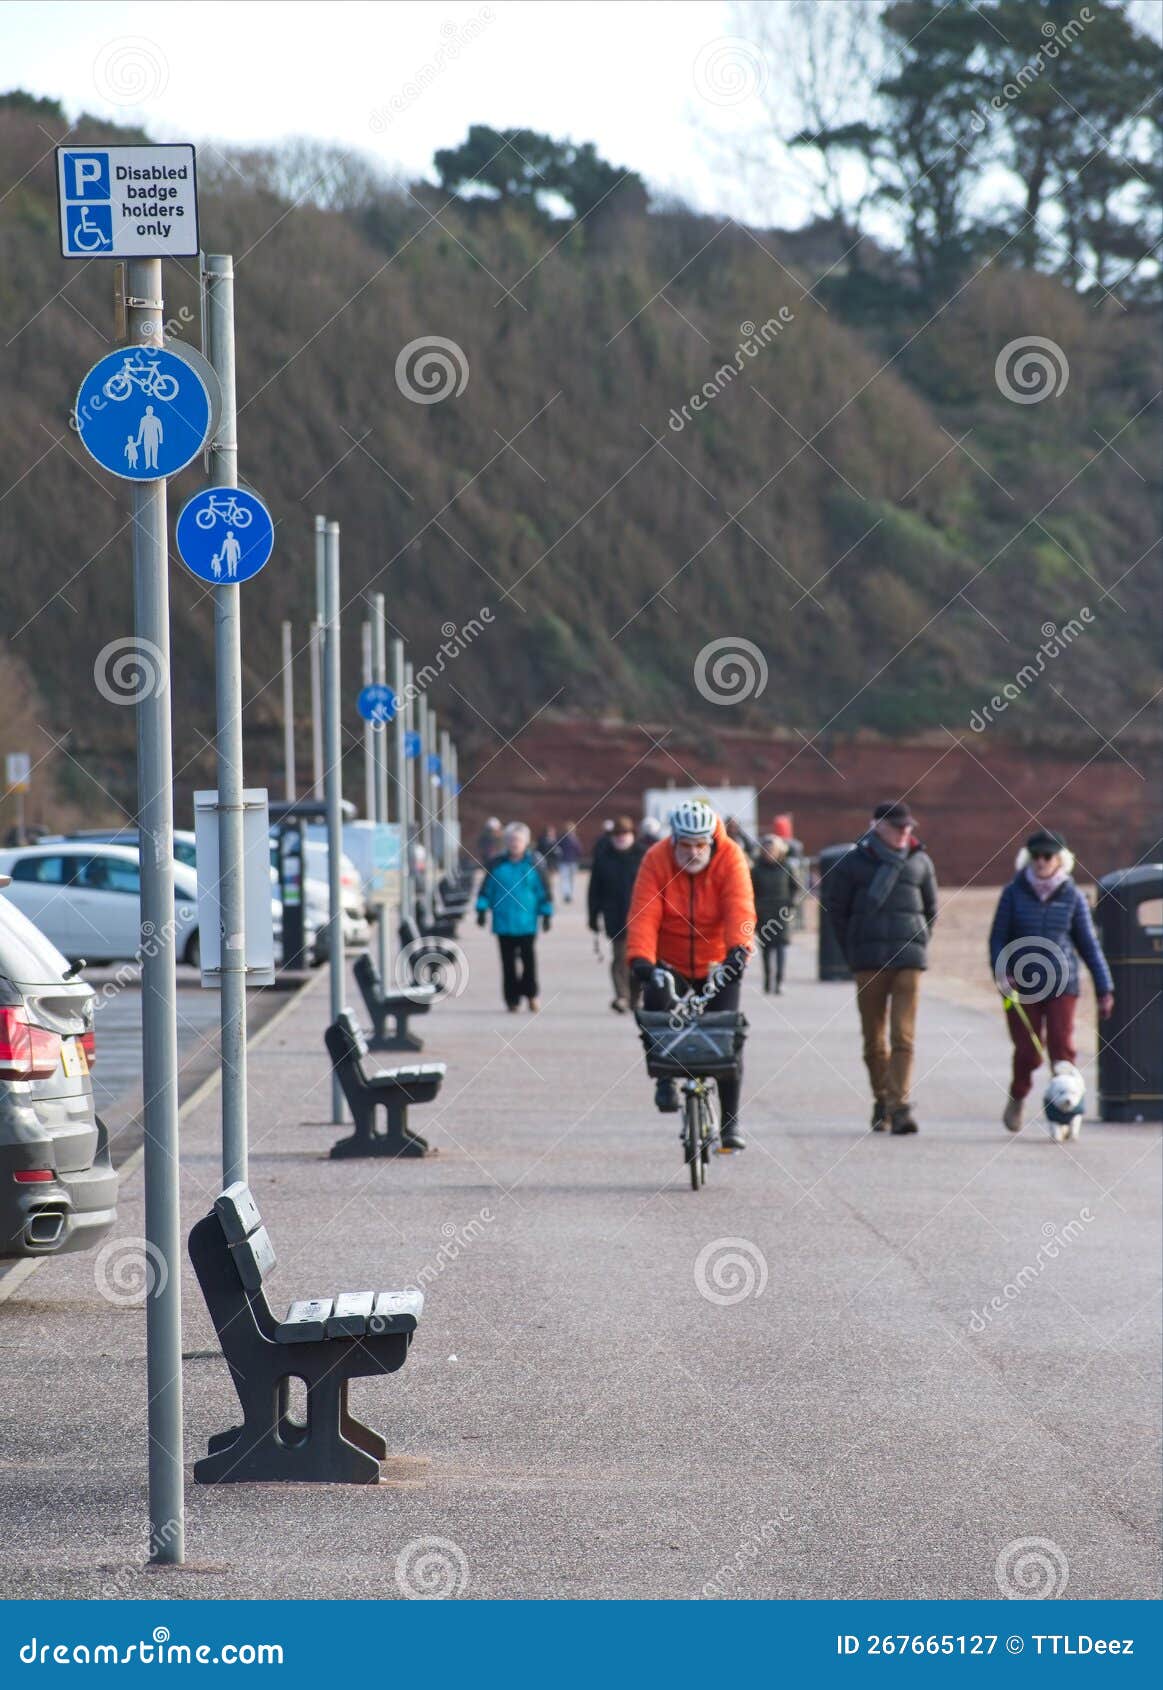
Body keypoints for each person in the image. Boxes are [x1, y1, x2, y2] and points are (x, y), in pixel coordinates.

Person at [626, 800, 756, 1150]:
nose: (694, 852)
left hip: (718, 959)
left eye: (701, 844)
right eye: (686, 844)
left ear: (712, 839)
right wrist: (641, 959)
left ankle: (730, 1124)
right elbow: (644, 912)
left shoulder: (731, 858)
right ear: (674, 840)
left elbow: (740, 907)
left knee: (727, 1035)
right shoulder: (656, 859)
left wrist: (738, 950)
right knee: (656, 1007)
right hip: (670, 957)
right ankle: (665, 1079)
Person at [988, 828, 1114, 1135]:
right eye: (1037, 857)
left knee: (1062, 1051)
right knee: (1029, 1052)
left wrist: (1104, 987)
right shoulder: (1013, 892)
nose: (1042, 862)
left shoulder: (1071, 895)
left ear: (1061, 860)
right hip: (1019, 985)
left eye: (1048, 856)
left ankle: (1063, 1114)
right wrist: (1002, 972)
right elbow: (998, 938)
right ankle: (1017, 1096)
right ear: (1028, 859)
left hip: (1063, 984)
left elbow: (1088, 945)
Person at [824, 800, 938, 1136]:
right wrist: (854, 951)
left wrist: (918, 942)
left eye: (908, 827)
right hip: (868, 961)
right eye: (898, 827)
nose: (905, 832)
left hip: (908, 961)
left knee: (903, 1036)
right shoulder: (852, 863)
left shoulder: (920, 860)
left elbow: (931, 910)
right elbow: (836, 912)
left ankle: (899, 1107)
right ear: (876, 827)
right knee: (874, 1039)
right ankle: (882, 1098)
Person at [476, 822, 553, 1012]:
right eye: (510, 840)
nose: (514, 844)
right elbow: (486, 890)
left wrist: (547, 914)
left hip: (527, 923)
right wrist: (481, 910)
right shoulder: (496, 864)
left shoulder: (534, 864)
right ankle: (512, 999)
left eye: (518, 840)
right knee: (508, 964)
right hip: (503, 923)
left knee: (529, 961)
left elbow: (544, 892)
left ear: (525, 842)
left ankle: (531, 994)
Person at [588, 815, 646, 1012]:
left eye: (625, 833)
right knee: (620, 957)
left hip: (642, 917)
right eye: (618, 834)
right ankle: (622, 995)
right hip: (615, 917)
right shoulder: (604, 857)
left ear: (632, 835)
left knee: (639, 959)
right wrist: (593, 916)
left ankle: (635, 997)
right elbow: (594, 889)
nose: (621, 837)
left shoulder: (644, 856)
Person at [750, 834, 803, 993]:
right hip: (763, 911)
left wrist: (792, 903)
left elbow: (796, 887)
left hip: (782, 912)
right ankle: (767, 981)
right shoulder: (756, 869)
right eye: (766, 849)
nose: (768, 852)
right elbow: (751, 891)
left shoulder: (787, 867)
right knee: (766, 949)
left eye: (772, 849)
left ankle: (779, 981)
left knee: (780, 948)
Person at [557, 822, 582, 904]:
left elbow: (579, 850)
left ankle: (570, 894)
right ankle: (567, 895)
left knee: (571, 879)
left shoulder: (575, 839)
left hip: (573, 862)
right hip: (564, 862)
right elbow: (557, 849)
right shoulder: (562, 839)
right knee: (565, 879)